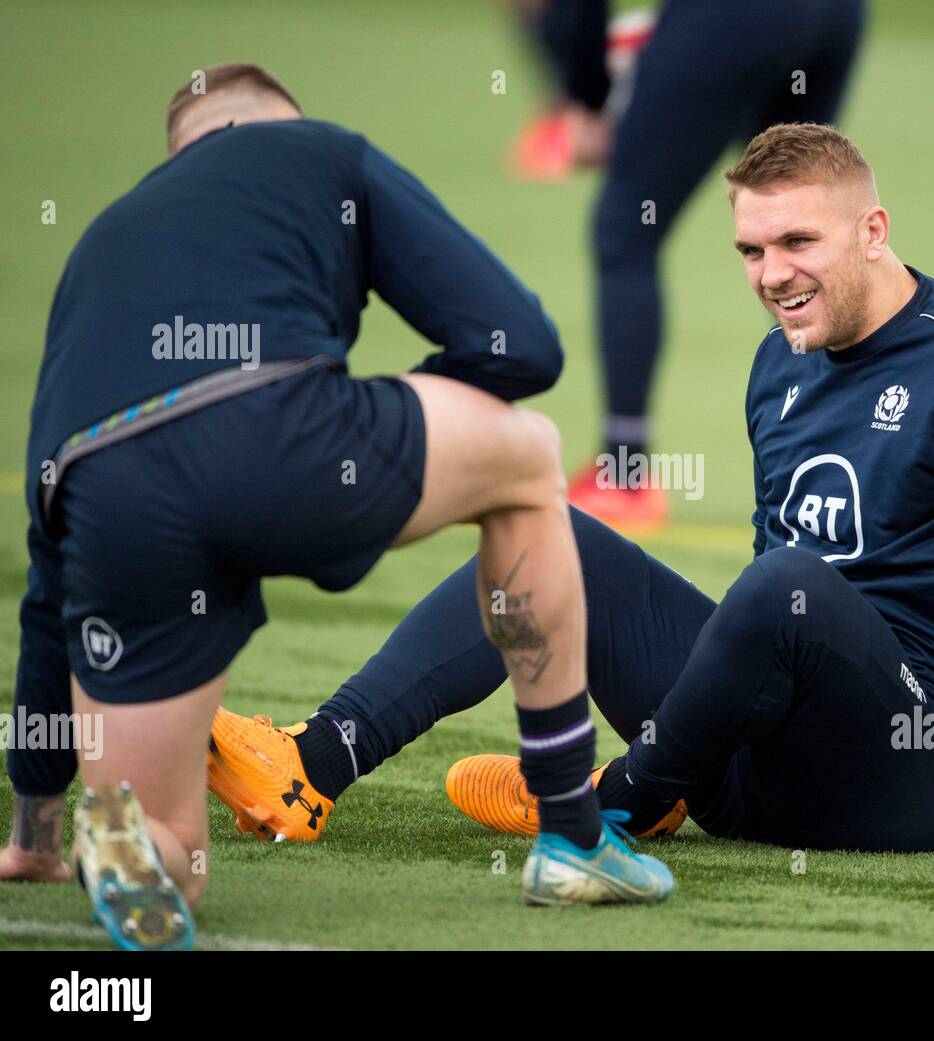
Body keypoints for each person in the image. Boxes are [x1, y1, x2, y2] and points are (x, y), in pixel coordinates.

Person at [207, 123, 934, 877]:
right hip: (753, 759)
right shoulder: (776, 371)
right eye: (751, 250)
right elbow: (764, 573)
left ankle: (606, 808)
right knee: (547, 530)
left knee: (789, 585)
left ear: (873, 231)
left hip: (913, 772)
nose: (771, 275)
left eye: (798, 243)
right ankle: (313, 764)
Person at [0, 62, 673, 950]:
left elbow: (49, 587)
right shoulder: (323, 153)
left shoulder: (101, 242)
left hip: (108, 499)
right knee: (528, 457)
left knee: (176, 858)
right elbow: (522, 345)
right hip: (290, 431)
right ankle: (572, 835)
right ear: (279, 122)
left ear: (178, 153)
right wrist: (393, 405)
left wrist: (29, 832)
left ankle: (114, 846)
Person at [512, 0, 869, 532]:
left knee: (625, 231)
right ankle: (869, 458)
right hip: (834, 14)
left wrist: (585, 100)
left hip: (732, 17)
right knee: (802, 227)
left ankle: (624, 473)